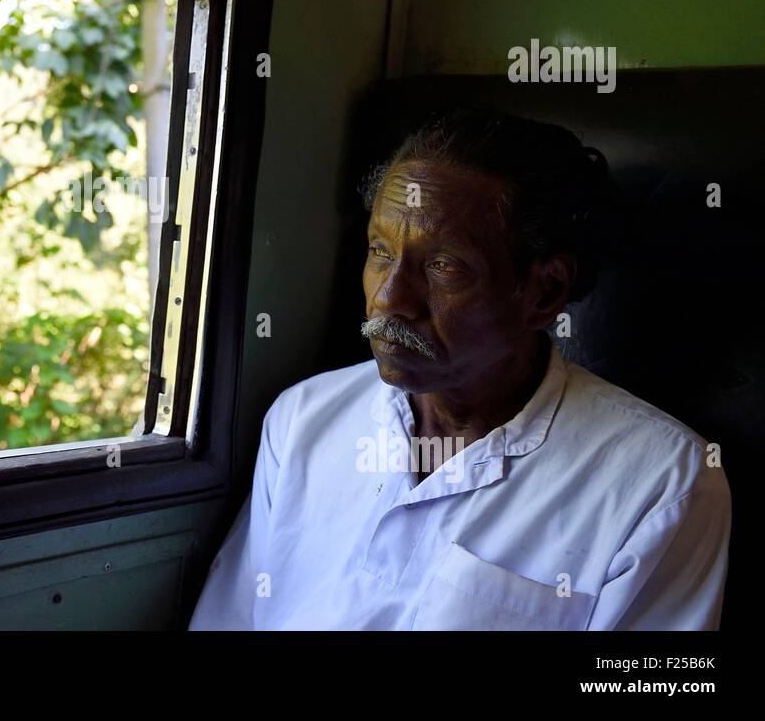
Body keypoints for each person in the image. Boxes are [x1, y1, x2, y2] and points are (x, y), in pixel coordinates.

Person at [188, 107, 731, 630]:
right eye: (380, 250)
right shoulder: (305, 419)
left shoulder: (660, 481)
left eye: (443, 266)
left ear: (545, 292)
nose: (389, 298)